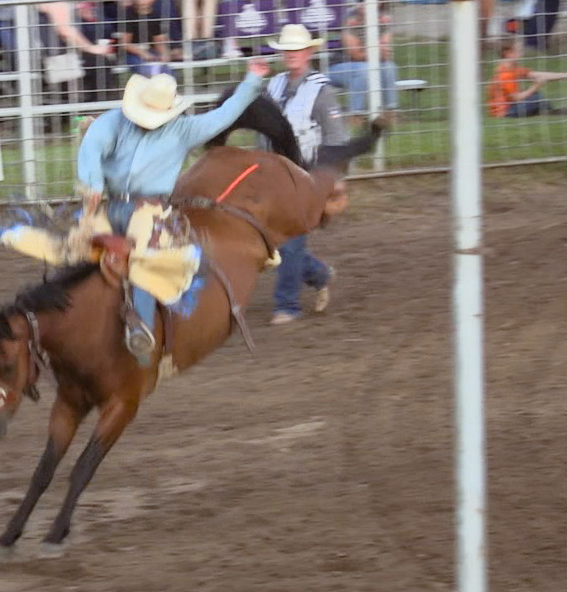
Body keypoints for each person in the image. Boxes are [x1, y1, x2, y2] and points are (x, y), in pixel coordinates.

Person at [75, 57, 271, 365]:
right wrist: (93, 183)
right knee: (74, 246)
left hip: (149, 211)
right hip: (109, 202)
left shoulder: (182, 130)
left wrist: (251, 83)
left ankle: (140, 326)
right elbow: (93, 143)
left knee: (145, 257)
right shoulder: (115, 121)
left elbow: (224, 116)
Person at [262, 24, 342, 325]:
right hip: (275, 175)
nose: (292, 55)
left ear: (308, 52)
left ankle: (287, 305)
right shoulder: (274, 87)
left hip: (307, 177)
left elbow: (335, 138)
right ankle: (320, 274)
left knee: (291, 241)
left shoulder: (321, 91)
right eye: (288, 50)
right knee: (274, 242)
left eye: (297, 50)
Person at [329, 1, 397, 125]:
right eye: (362, 2)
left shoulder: (384, 18)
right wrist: (377, 51)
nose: (364, 5)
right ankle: (356, 115)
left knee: (389, 67)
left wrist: (370, 51)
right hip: (338, 67)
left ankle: (389, 112)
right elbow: (355, 54)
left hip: (368, 65)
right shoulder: (350, 18)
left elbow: (386, 54)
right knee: (363, 69)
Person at [487, 37, 567, 118]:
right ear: (508, 53)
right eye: (519, 51)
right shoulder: (505, 74)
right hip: (506, 112)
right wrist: (536, 86)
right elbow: (517, 98)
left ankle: (548, 111)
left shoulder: (513, 68)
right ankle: (550, 112)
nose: (521, 54)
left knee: (536, 96)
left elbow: (538, 75)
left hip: (512, 106)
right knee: (537, 98)